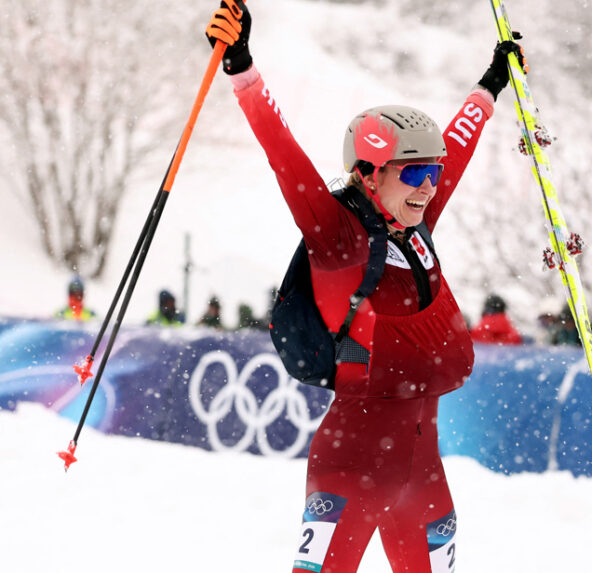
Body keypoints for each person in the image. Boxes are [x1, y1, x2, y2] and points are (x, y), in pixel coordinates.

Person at [205, 3, 523, 571]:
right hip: (352, 466)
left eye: (433, 172)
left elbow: (458, 145)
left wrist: (490, 85)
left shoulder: (415, 225)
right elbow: (282, 151)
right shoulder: (337, 235)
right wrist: (243, 69)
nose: (429, 186)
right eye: (415, 173)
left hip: (423, 474)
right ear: (368, 174)